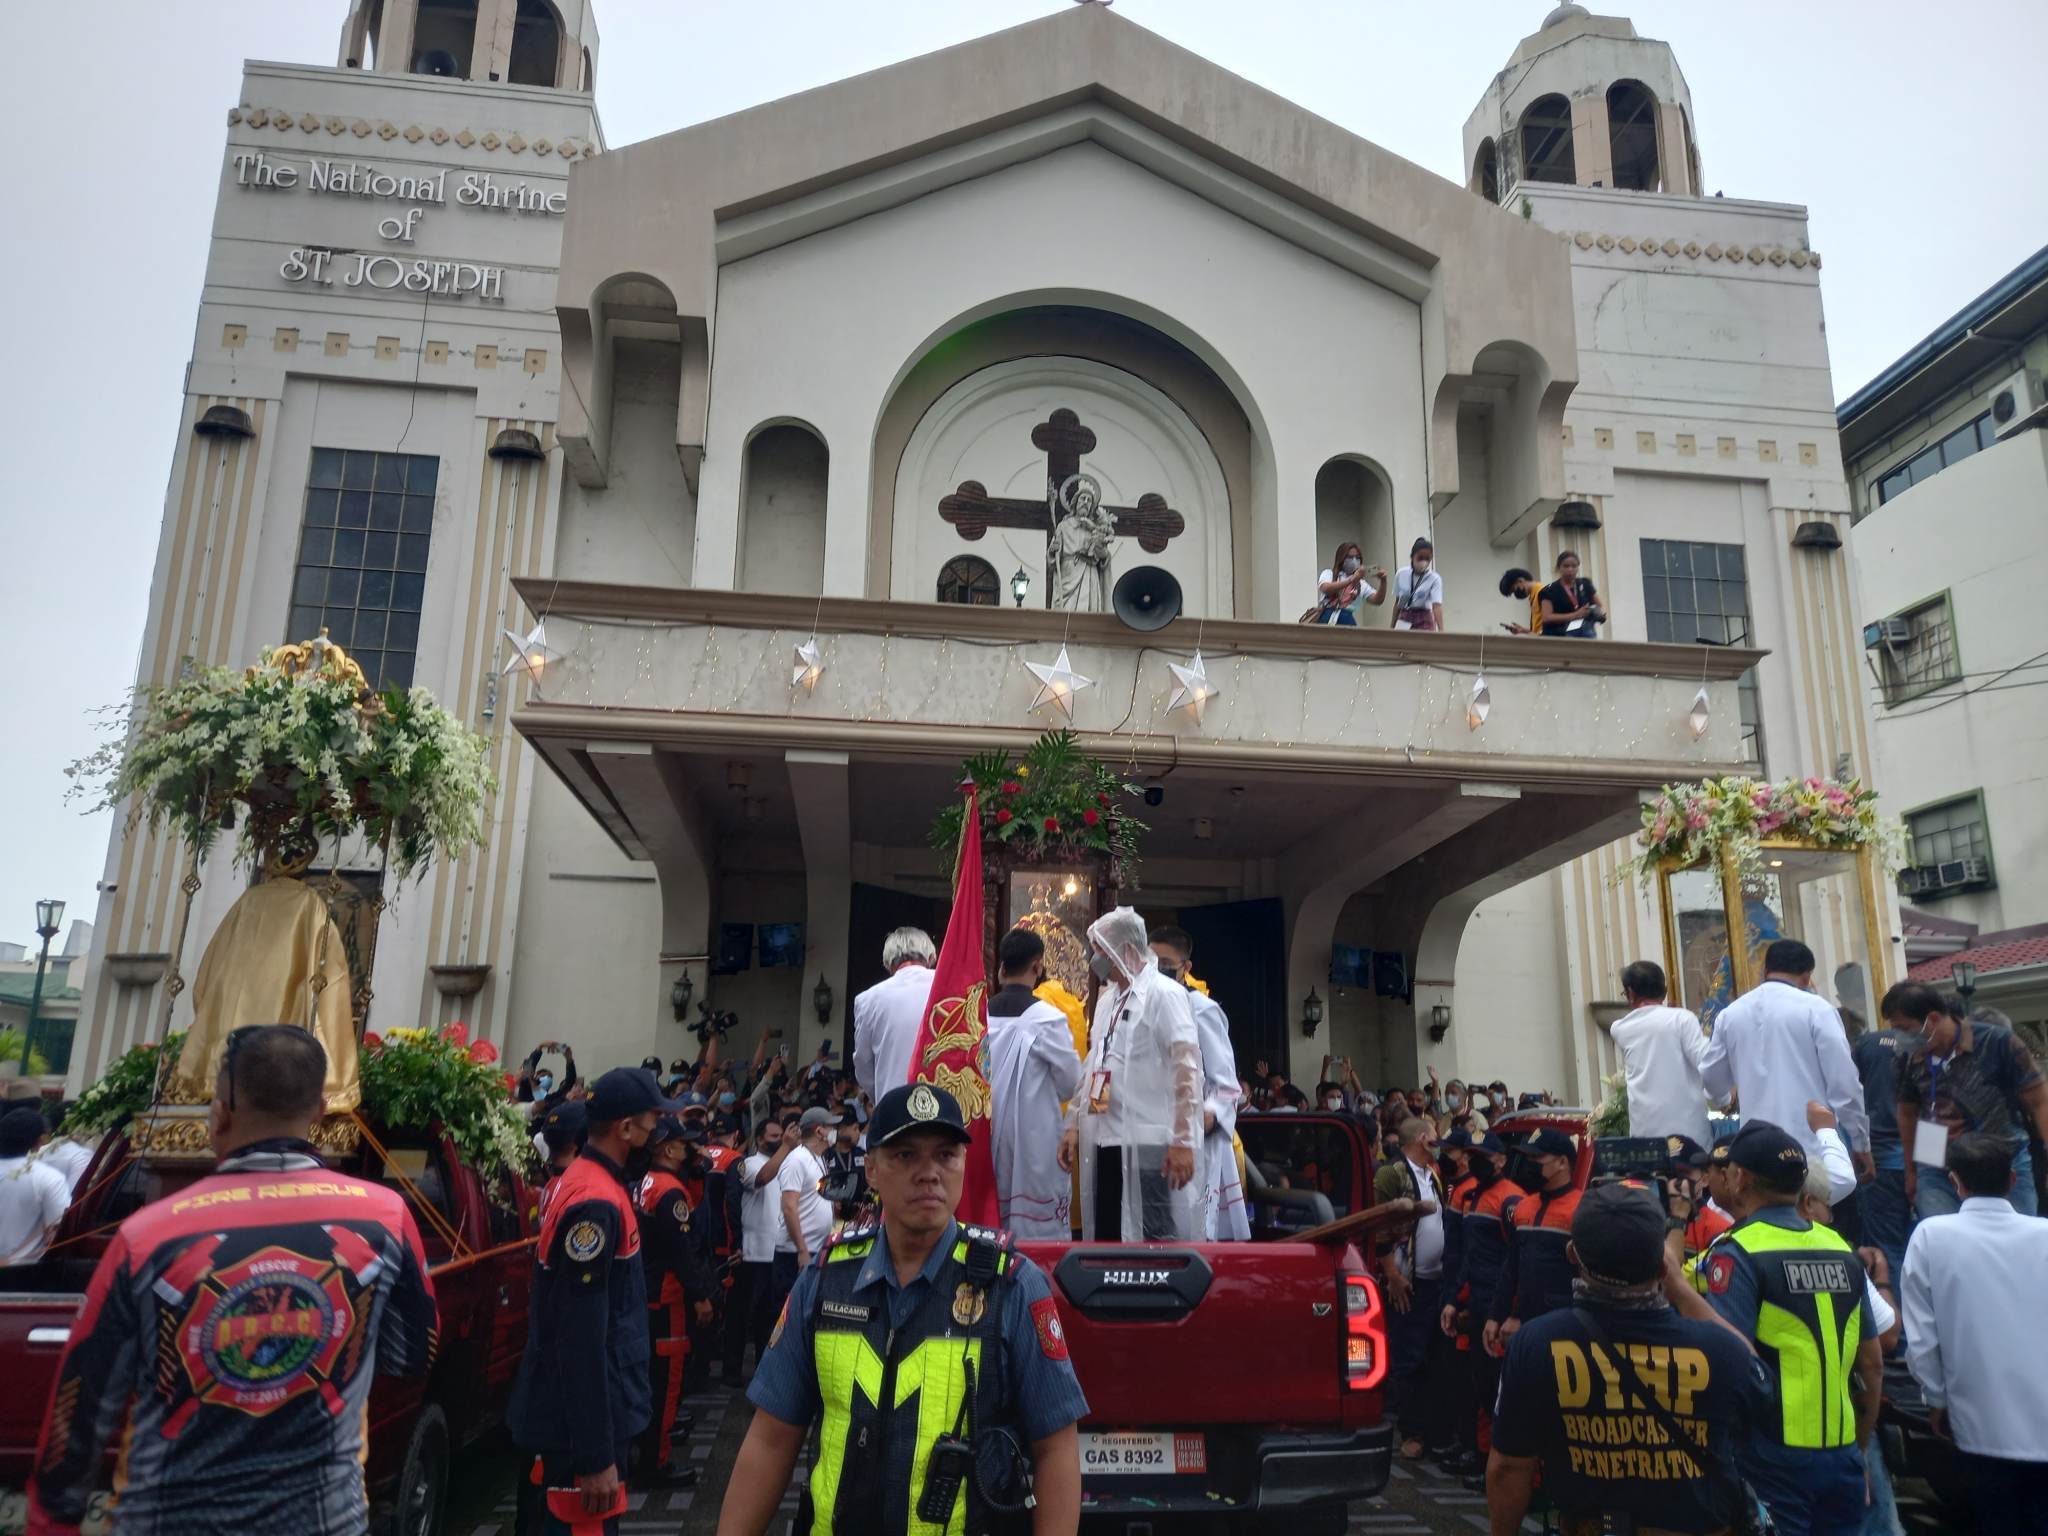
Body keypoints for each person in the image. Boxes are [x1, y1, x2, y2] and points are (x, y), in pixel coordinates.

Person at [26, 1024, 438, 1536]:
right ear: (319, 1112)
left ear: (218, 1112)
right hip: (324, 1519)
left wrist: (53, 1521)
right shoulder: (386, 1218)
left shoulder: (147, 1235)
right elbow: (414, 1354)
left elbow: (83, 1404)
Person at [715, 1083, 1087, 1536]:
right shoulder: (826, 1280)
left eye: (946, 1155)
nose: (929, 1173)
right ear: (871, 1170)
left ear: (964, 1166)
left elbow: (1056, 1450)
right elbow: (771, 1440)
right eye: (906, 1155)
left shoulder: (1012, 1286)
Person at [1486, 1181, 1772, 1536]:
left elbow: (1508, 1468)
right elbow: (1761, 1385)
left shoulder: (1536, 1343)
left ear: (1573, 1254)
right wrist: (1683, 1293)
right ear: (1662, 1266)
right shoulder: (1719, 1350)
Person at [510, 1066, 687, 1535]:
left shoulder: (593, 1184)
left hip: (585, 1420)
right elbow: (580, 1339)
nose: (659, 1131)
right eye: (653, 1119)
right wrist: (594, 1455)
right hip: (580, 1435)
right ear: (625, 1128)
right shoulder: (595, 1203)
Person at [1696, 1120, 1880, 1536]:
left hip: (1771, 1455)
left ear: (1739, 1178)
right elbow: (1873, 1365)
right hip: (1844, 1450)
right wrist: (1859, 1453)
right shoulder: (1840, 1248)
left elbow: (1729, 1360)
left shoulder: (1737, 1250)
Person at [1900, 1133, 2048, 1530]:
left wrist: (1935, 1399)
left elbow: (1922, 1338)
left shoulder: (1931, 1236)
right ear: (2013, 1180)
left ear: (1955, 1182)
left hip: (1978, 1422)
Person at [1059, 908, 1203, 1242]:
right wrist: (1075, 1124)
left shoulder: (1164, 994)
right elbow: (1096, 1064)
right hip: (1106, 1138)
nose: (1097, 960)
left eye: (1101, 951)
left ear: (1125, 951)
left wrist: (1183, 1140)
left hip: (1149, 1141)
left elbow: (1187, 1067)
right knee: (1110, 1235)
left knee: (1153, 1240)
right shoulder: (1109, 999)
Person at [1882, 980, 2047, 1220]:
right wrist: (1911, 1171)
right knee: (1944, 1240)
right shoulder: (1906, 1058)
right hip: (1937, 1167)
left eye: (1906, 1029)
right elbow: (1907, 1113)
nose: (1901, 1037)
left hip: (2003, 1163)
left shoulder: (1997, 1042)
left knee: (2016, 1240)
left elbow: (2039, 1101)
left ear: (1934, 1018)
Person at [1699, 938, 1871, 1167]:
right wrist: (1860, 1142)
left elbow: (1711, 1079)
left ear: (1765, 971)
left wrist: (1723, 1098)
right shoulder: (1818, 1010)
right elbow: (1845, 1085)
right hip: (1810, 1150)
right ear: (1807, 977)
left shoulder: (1731, 1015)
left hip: (1754, 1151)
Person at [1152, 926, 1250, 1241]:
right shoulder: (1144, 1004)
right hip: (1149, 1138)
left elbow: (1226, 1084)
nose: (1158, 970)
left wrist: (1203, 1119)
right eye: (1151, 961)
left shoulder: (1202, 1010)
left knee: (1186, 1234)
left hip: (1191, 1142)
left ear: (1186, 968)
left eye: (1166, 962)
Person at [987, 927, 1085, 1240]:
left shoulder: (978, 1015)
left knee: (989, 1230)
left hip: (986, 1133)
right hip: (1033, 1138)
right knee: (1035, 1242)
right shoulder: (1047, 1018)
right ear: (1038, 967)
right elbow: (1071, 1083)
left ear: (1002, 967)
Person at [636, 1118, 716, 1488]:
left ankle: (648, 1450)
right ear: (667, 1149)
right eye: (683, 1145)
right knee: (666, 1383)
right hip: (667, 1299)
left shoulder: (649, 1182)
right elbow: (682, 1251)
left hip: (648, 1293)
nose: (690, 1150)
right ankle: (656, 1462)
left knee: (652, 1380)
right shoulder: (669, 1191)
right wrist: (700, 1295)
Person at [1374, 1117, 1446, 1462]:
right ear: (1422, 1138)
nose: (1439, 1141)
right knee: (1408, 1357)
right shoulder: (1392, 1174)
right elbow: (1377, 1226)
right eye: (1435, 1136)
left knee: (1432, 1356)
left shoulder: (1432, 1174)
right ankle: (1412, 1431)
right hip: (1406, 1282)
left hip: (1436, 1280)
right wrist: (1391, 1274)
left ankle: (1432, 1429)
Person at [1485, 1128, 1582, 1355]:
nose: (1529, 1163)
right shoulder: (1524, 1206)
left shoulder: (1582, 1209)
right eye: (1528, 1157)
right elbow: (1512, 1268)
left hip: (1566, 1329)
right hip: (1524, 1327)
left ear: (1562, 1162)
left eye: (1537, 1158)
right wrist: (1496, 1315)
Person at [1608, 960, 1714, 1146]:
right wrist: (1725, 1098)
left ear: (1631, 993)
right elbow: (1706, 1062)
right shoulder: (1682, 1019)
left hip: (1644, 1135)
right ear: (1664, 992)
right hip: (1689, 1134)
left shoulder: (1620, 1028)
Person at [724, 1115, 794, 1384]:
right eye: (774, 1136)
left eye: (781, 1136)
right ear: (760, 1139)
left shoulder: (785, 1164)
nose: (778, 1141)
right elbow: (763, 1178)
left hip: (775, 1252)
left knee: (768, 1318)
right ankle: (731, 1371)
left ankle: (764, 1372)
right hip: (751, 1253)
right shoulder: (748, 1164)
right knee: (740, 1316)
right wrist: (787, 1147)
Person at [1849, 1012, 1917, 1282]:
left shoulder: (1867, 1046)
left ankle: (1897, 1319)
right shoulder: (1918, 1044)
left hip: (1881, 1156)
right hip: (1922, 1157)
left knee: (1887, 1248)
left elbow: (1851, 1094)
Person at [852, 927, 937, 1099]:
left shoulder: (867, 1000)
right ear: (930, 958)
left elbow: (862, 1063)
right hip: (946, 1107)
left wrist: (881, 1095)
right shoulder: (954, 988)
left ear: (887, 964)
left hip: (894, 1106)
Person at [773, 1105, 838, 1315]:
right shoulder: (796, 1160)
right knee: (789, 1312)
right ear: (819, 1131)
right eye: (831, 1127)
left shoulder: (818, 1158)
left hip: (815, 1248)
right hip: (795, 1253)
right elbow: (789, 1207)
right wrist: (801, 1250)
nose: (834, 1132)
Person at [1, 1107, 70, 1266]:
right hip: (21, 1275)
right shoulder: (48, 1177)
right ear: (39, 1142)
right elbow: (56, 1232)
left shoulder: (46, 1177)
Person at [1536, 549, 1607, 638]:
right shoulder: (1549, 590)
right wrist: (1575, 615)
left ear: (1578, 567)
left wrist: (1596, 613)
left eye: (1574, 566)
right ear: (1558, 568)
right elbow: (1547, 617)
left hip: (1585, 631)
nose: (1570, 569)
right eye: (1566, 566)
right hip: (1559, 634)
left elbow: (1599, 605)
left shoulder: (1585, 584)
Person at [1311, 541, 1386, 626]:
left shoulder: (1361, 583)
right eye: (1350, 557)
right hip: (1328, 616)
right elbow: (1325, 588)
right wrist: (1351, 579)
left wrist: (1383, 581)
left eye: (1357, 558)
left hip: (1347, 618)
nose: (1354, 560)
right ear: (1341, 558)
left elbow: (1377, 600)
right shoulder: (1329, 573)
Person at [1390, 535, 1444, 630]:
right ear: (1412, 557)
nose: (1424, 561)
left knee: (1423, 643)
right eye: (1420, 557)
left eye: (1427, 558)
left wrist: (1442, 630)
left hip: (1424, 616)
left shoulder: (1434, 578)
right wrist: (1392, 626)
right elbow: (1398, 602)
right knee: (1402, 643)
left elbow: (1436, 606)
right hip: (1405, 615)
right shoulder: (1401, 574)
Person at [1497, 566, 1542, 636]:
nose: (1515, 594)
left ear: (1520, 581)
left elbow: (1552, 629)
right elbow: (1540, 631)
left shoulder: (1542, 593)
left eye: (1514, 590)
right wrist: (1522, 630)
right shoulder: (1534, 595)